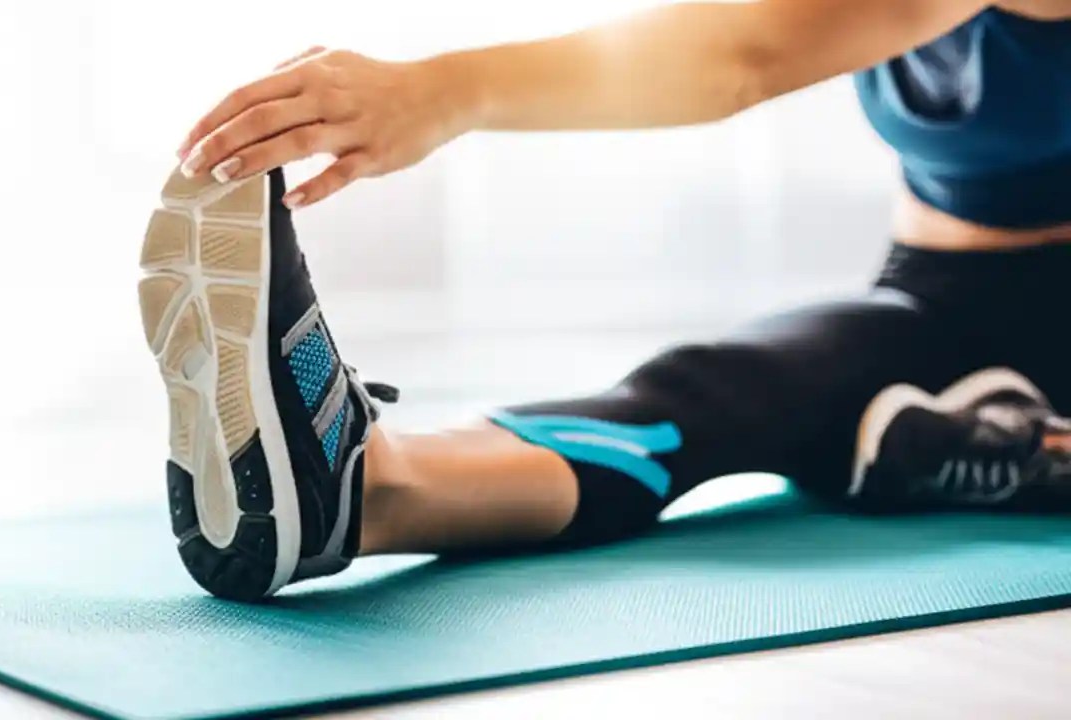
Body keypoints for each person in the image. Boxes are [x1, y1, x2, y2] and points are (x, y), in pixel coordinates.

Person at [139, 0, 1071, 601]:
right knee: (715, 391)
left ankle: (992, 442)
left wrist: (441, 93)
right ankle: (360, 493)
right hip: (936, 302)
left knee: (853, 420)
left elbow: (741, 56)